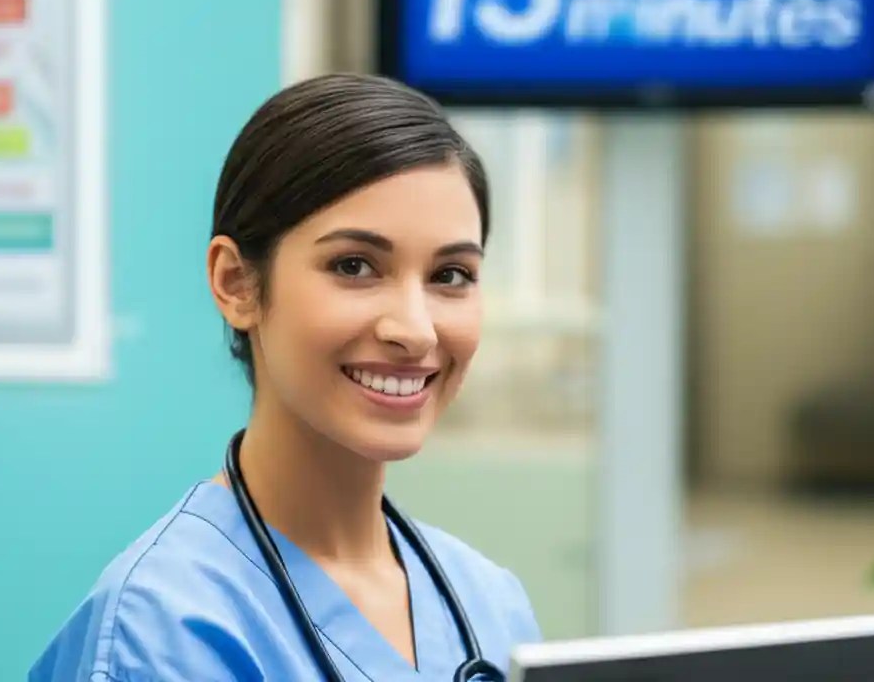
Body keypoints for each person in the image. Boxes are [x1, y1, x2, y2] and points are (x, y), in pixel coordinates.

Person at [30, 74, 541, 681]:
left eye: (451, 275)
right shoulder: (164, 626)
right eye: (355, 266)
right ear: (236, 284)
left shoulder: (490, 606)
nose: (417, 330)